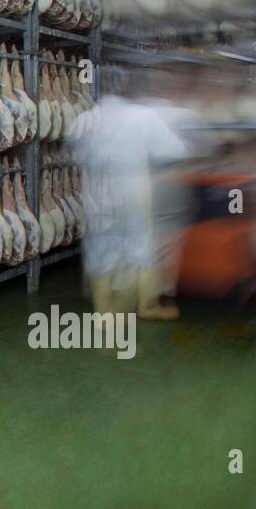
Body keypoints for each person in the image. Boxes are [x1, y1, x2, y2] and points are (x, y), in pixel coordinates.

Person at [74, 62, 193, 320]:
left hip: (97, 188)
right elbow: (175, 151)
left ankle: (104, 313)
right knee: (140, 244)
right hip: (132, 183)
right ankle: (147, 306)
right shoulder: (142, 116)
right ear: (125, 86)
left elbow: (75, 154)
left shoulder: (85, 119)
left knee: (99, 247)